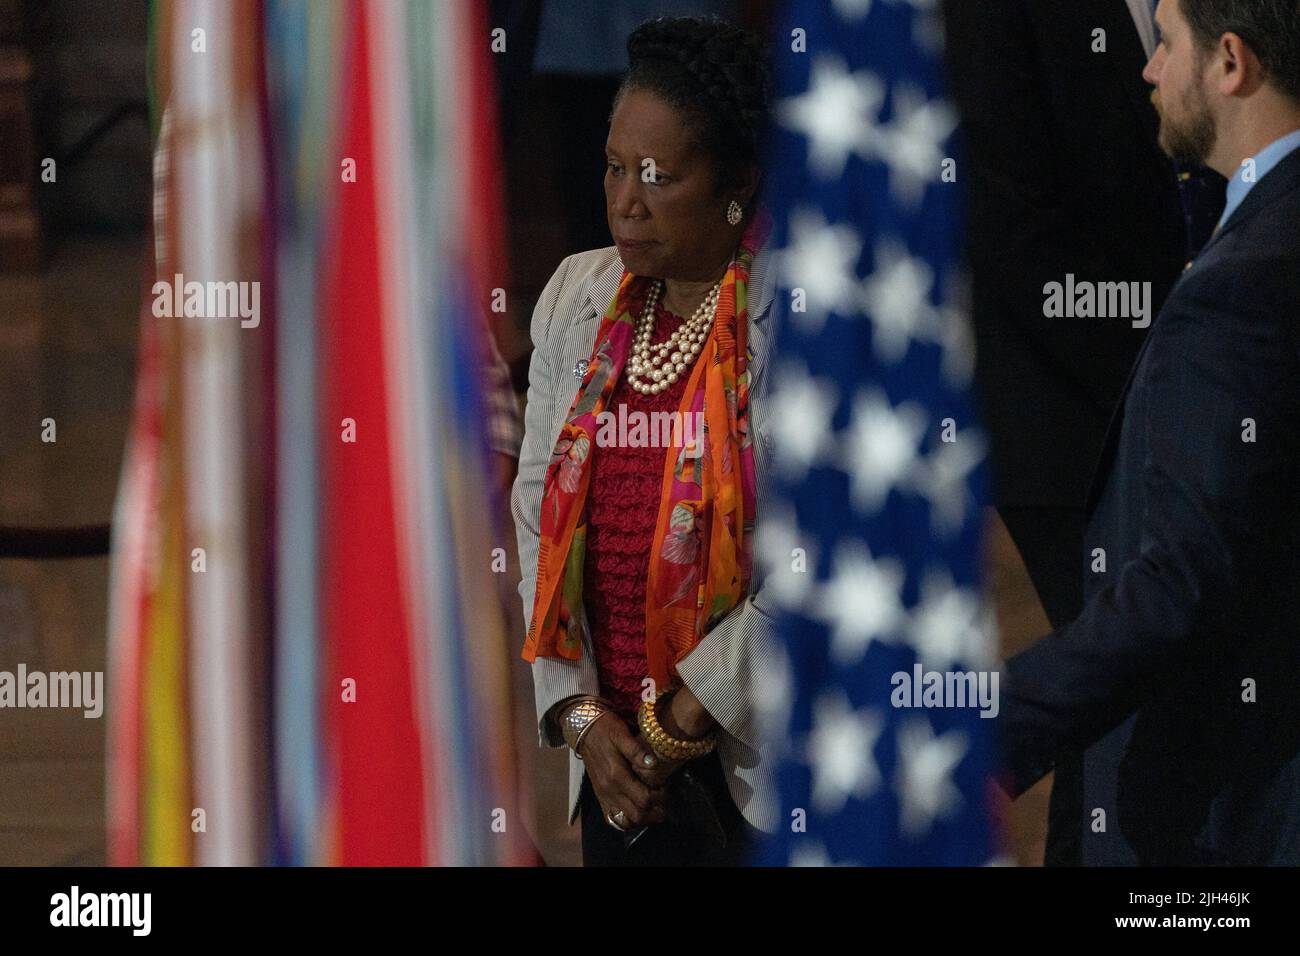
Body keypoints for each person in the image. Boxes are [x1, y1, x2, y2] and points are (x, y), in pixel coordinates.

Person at [999, 0, 1300, 865]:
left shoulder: (1238, 286)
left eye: (1167, 43)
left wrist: (1001, 726)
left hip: (1229, 810)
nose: (1148, 69)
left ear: (1231, 63)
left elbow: (1181, 578)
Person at [942, 0, 1222, 865]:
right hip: (1063, 418)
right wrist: (1155, 369)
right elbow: (1006, 222)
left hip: (1205, 385)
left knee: (1133, 688)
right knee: (1116, 688)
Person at [510, 15, 779, 865]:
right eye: (615, 167)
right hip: (618, 770)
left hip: (764, 766)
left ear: (736, 184)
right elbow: (533, 517)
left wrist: (689, 713)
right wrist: (582, 717)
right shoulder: (575, 295)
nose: (626, 198)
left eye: (660, 175)